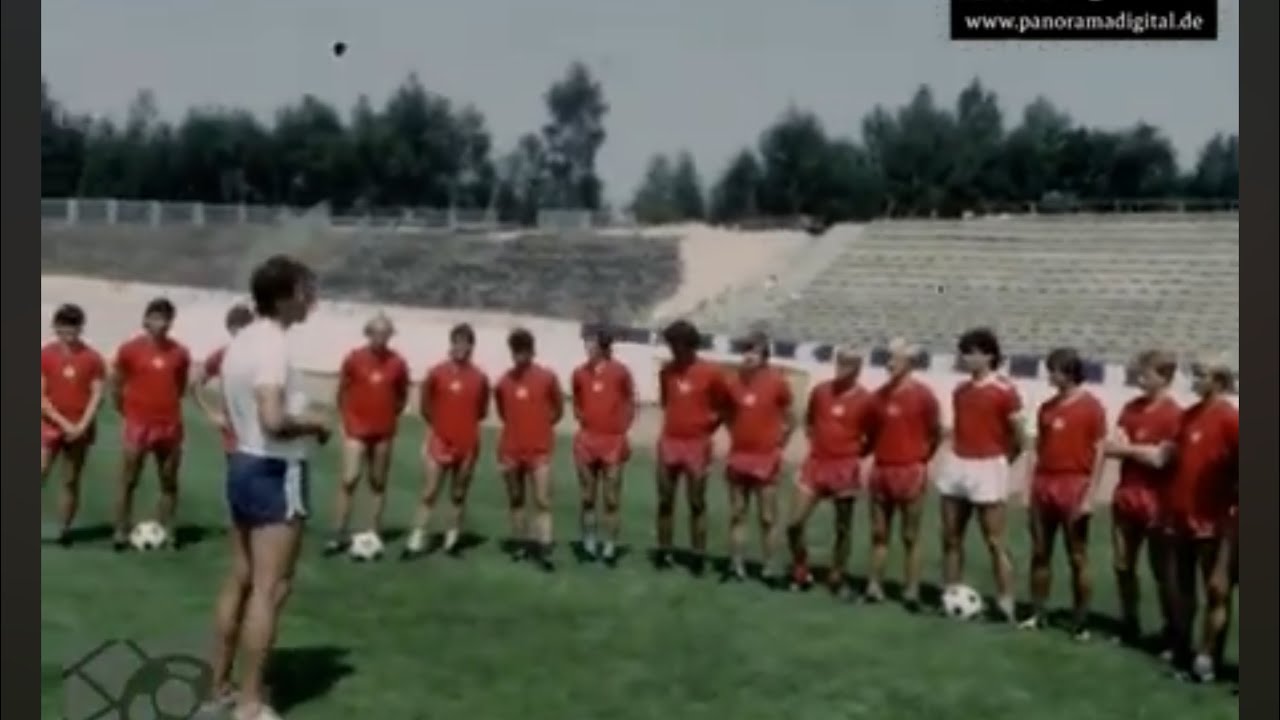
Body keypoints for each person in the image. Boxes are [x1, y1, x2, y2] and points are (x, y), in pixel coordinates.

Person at [206, 255, 329, 720]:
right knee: (270, 588)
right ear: (285, 296)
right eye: (305, 290)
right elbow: (273, 419)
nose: (311, 299)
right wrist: (314, 424)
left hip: (242, 463)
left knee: (239, 578)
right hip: (276, 469)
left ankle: (217, 686)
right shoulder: (274, 345)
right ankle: (252, 701)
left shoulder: (242, 342)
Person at [1020, 348, 1107, 639]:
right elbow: (1039, 449)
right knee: (1040, 552)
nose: (1049, 375)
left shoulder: (1092, 407)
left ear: (1068, 373)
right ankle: (1037, 612)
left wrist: (1090, 495)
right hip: (1045, 483)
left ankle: (1080, 620)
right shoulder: (1046, 407)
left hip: (1074, 484)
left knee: (1077, 556)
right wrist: (1028, 487)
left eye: (1054, 370)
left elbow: (1098, 453)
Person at [937, 327, 1023, 621]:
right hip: (957, 464)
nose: (968, 357)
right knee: (951, 537)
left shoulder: (1005, 391)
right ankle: (949, 595)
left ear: (989, 355)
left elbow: (1019, 437)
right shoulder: (960, 391)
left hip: (988, 467)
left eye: (973, 352)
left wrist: (1001, 461)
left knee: (995, 540)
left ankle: (1006, 601)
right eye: (965, 352)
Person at [1102, 349, 1182, 654]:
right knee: (1122, 565)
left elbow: (1161, 460)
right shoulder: (1130, 408)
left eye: (1145, 374)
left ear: (1164, 377)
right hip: (1127, 493)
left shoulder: (1174, 414)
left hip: (1157, 499)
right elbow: (1111, 446)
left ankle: (1172, 631)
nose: (1139, 378)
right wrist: (1140, 450)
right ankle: (1129, 623)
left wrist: (1130, 449)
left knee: (1163, 571)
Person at [1164, 355, 1238, 683]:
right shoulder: (1187, 416)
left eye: (1201, 374)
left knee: (1216, 590)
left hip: (1213, 520)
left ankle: (1209, 656)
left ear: (1219, 382)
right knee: (1182, 588)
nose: (1194, 379)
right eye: (1193, 373)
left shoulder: (1230, 420)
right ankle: (1183, 647)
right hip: (1182, 516)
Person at [785, 345, 876, 596]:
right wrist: (816, 444)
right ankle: (801, 567)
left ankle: (837, 574)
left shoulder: (866, 400)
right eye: (839, 361)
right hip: (816, 464)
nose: (841, 367)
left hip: (844, 467)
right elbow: (810, 420)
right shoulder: (821, 391)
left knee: (843, 526)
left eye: (848, 363)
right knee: (794, 523)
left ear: (858, 368)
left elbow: (873, 435)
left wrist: (857, 455)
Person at [864, 339, 941, 610]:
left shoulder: (924, 396)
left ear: (908, 363)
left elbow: (935, 433)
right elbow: (870, 435)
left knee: (910, 536)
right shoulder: (877, 397)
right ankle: (874, 585)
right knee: (879, 533)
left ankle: (911, 590)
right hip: (882, 470)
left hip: (910, 471)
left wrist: (920, 461)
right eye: (887, 358)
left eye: (894, 359)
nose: (889, 364)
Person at [324, 314, 410, 555]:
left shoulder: (397, 363)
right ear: (368, 333)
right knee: (349, 479)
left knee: (378, 482)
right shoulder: (354, 359)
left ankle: (372, 532)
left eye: (386, 334)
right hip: (356, 428)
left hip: (383, 430)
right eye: (376, 333)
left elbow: (402, 395)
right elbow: (342, 391)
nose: (381, 338)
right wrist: (347, 418)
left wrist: (391, 415)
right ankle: (337, 532)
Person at [111, 297, 192, 550]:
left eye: (166, 319)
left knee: (168, 480)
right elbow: (116, 383)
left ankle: (165, 528)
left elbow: (179, 386)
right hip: (138, 423)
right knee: (128, 479)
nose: (161, 323)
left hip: (168, 424)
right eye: (156, 317)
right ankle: (120, 529)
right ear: (146, 320)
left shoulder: (180, 353)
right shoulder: (129, 350)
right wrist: (125, 411)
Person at [405, 323, 490, 558]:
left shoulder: (479, 378)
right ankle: (416, 538)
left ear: (472, 347)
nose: (461, 347)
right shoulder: (437, 373)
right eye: (457, 342)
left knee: (458, 493)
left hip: (468, 443)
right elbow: (425, 406)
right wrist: (440, 426)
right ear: (451, 344)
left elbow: (481, 411)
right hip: (440, 440)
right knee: (430, 491)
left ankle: (452, 539)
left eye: (466, 343)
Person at [654, 319, 727, 574]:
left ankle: (697, 555)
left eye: (678, 345)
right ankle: (664, 552)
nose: (674, 350)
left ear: (690, 345)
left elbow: (725, 406)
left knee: (696, 502)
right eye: (671, 345)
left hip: (697, 444)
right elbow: (666, 402)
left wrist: (709, 426)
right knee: (665, 500)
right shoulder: (667, 371)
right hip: (670, 441)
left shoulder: (711, 373)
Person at [722, 331, 795, 582]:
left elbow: (790, 418)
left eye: (754, 351)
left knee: (767, 517)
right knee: (737, 514)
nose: (748, 356)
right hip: (739, 457)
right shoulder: (733, 383)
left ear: (764, 356)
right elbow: (728, 415)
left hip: (766, 458)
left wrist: (779, 445)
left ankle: (769, 565)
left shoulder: (777, 382)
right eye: (746, 351)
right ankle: (737, 564)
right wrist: (737, 436)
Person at [494, 328, 564, 571]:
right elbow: (503, 412)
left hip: (539, 450)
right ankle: (521, 544)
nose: (519, 356)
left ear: (531, 352)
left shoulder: (547, 378)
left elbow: (557, 409)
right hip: (511, 450)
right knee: (516, 499)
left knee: (542, 499)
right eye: (515, 351)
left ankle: (544, 547)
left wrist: (542, 427)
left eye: (523, 351)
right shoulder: (504, 381)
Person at [41, 304, 108, 546]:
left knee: (71, 479)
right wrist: (64, 423)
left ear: (81, 328)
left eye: (74, 326)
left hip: (81, 426)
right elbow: (41, 397)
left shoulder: (92, 358)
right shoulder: (45, 354)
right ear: (56, 327)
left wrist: (81, 425)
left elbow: (97, 394)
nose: (69, 331)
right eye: (64, 326)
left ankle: (64, 530)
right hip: (50, 425)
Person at [570, 327, 636, 565]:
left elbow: (630, 401)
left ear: (603, 346)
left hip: (612, 442)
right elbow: (577, 401)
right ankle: (589, 542)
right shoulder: (579, 373)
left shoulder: (620, 373)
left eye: (592, 343)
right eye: (587, 343)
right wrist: (584, 418)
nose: (588, 348)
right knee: (587, 496)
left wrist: (621, 427)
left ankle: (609, 547)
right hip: (587, 441)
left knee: (611, 498)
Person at [192, 304, 256, 458]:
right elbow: (194, 385)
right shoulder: (222, 355)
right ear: (230, 329)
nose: (240, 332)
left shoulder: (264, 355)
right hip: (233, 435)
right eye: (235, 328)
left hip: (260, 434)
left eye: (245, 327)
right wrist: (212, 414)